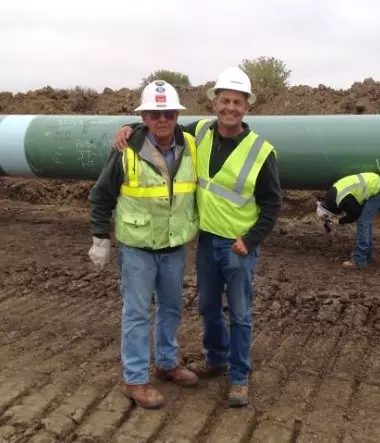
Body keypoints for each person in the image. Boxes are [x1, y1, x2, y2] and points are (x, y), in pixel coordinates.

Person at [113, 67, 282, 407]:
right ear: (214, 104)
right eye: (224, 101)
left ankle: (238, 376)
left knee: (239, 312)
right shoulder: (200, 133)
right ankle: (216, 359)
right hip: (206, 240)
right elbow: (160, 130)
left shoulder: (261, 151)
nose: (229, 108)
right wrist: (127, 130)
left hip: (237, 244)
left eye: (236, 102)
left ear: (246, 107)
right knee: (207, 307)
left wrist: (251, 240)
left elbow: (273, 203)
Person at [88, 80, 200, 410]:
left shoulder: (191, 144)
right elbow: (101, 195)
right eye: (153, 113)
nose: (161, 118)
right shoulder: (126, 150)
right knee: (137, 313)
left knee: (171, 308)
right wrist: (100, 238)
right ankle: (134, 379)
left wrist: (130, 125)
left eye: (167, 112)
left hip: (173, 245)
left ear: (177, 115)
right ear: (144, 117)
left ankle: (167, 363)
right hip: (137, 247)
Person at [316, 172, 380, 269]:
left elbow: (355, 214)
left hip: (377, 188)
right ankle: (366, 256)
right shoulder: (332, 197)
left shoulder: (342, 199)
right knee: (366, 221)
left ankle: (359, 260)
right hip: (374, 182)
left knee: (363, 221)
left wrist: (339, 221)